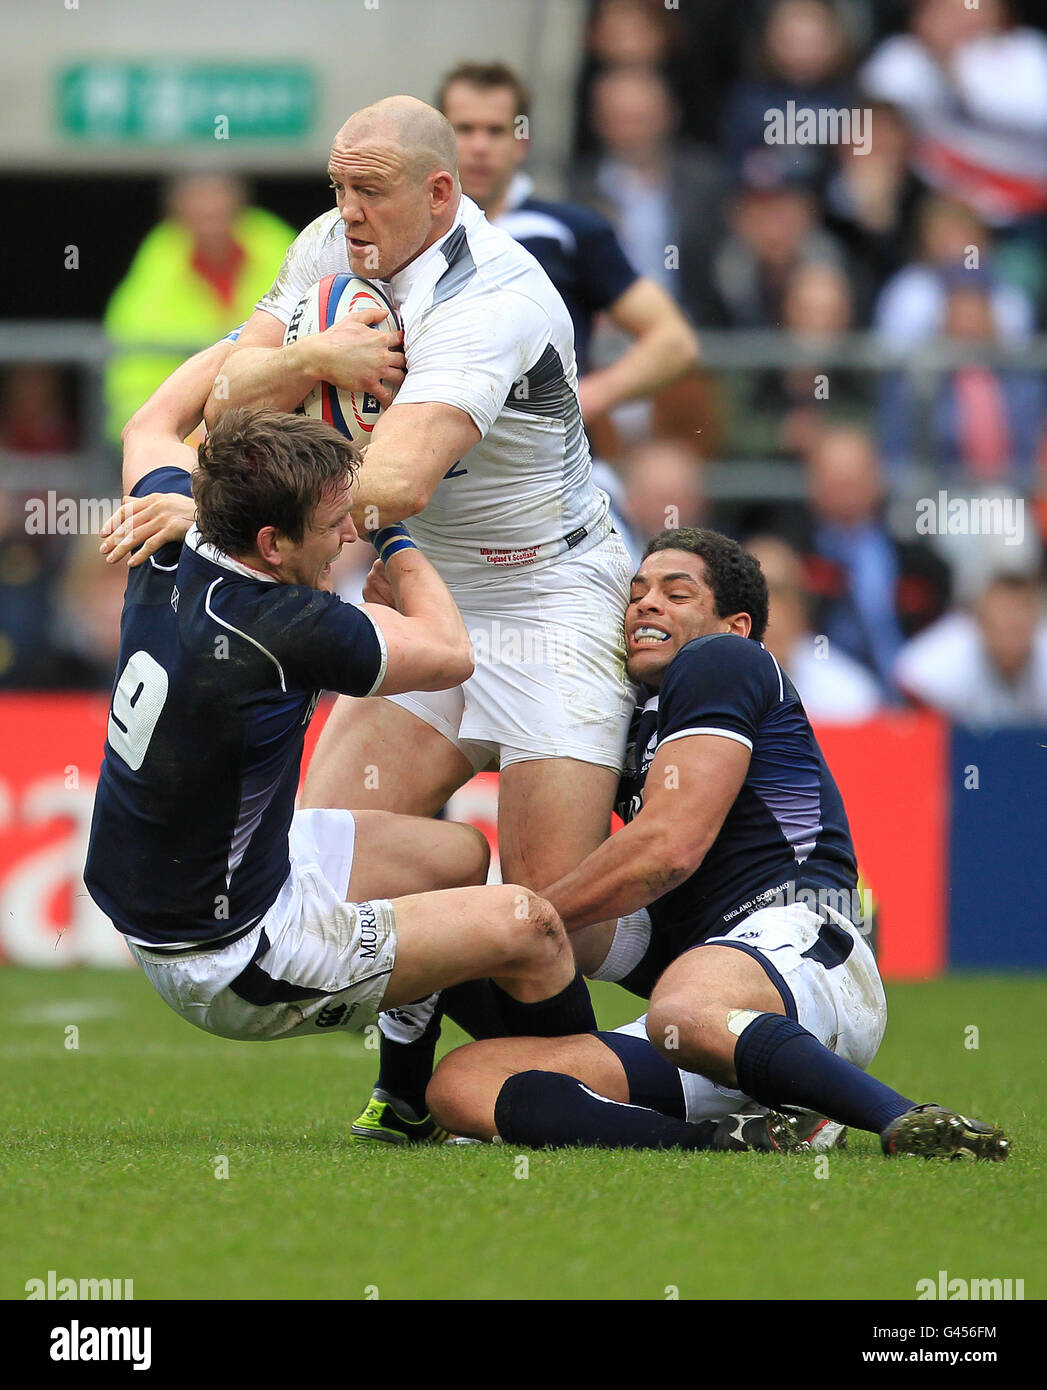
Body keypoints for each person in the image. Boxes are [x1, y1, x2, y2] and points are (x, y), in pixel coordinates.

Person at [425, 528, 1009, 1162]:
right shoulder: (634, 706)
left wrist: (525, 922)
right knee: (464, 1081)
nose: (647, 604)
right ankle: (733, 1137)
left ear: (736, 625)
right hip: (711, 1008)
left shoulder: (725, 659)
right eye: (638, 592)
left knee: (657, 994)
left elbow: (668, 849)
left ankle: (906, 1120)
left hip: (804, 946)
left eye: (677, 594)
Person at [84, 407, 597, 1055]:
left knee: (454, 858)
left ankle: (403, 1098)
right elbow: (450, 652)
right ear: (271, 545)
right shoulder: (287, 626)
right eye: (335, 524)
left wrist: (298, 337)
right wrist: (399, 538)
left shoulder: (165, 533)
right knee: (532, 928)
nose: (349, 535)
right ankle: (601, 1090)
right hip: (237, 959)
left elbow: (149, 423)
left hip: (197, 899)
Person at [103, 174, 295, 446]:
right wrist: (175, 432)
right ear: (176, 215)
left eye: (217, 207)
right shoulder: (151, 276)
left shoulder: (284, 249)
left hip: (282, 434)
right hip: (185, 442)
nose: (209, 218)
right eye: (198, 210)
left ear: (239, 207)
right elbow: (129, 381)